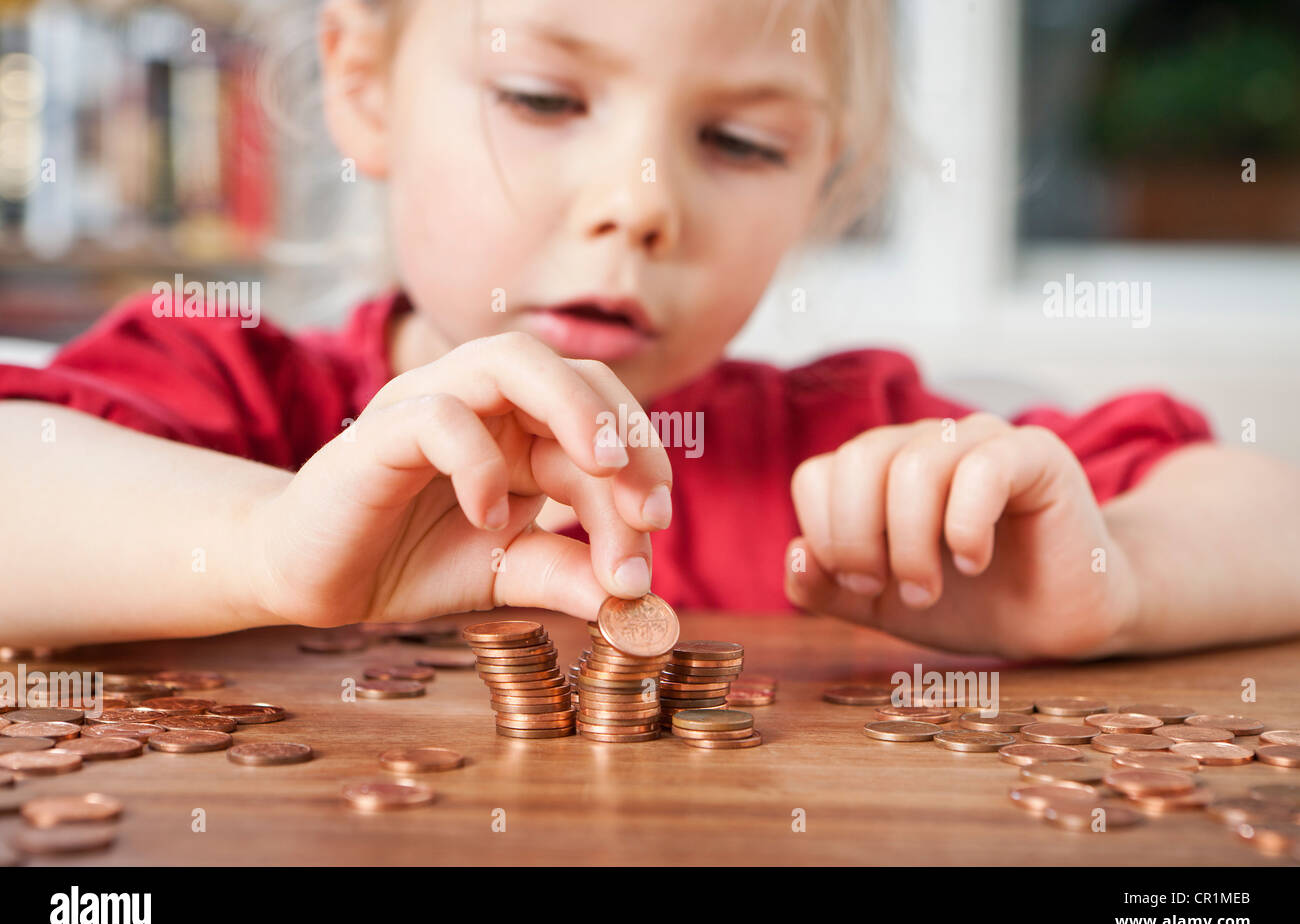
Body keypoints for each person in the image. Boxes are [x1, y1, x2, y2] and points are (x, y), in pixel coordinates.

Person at [2, 0, 1297, 659]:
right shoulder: (231, 384)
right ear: (363, 83)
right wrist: (259, 546)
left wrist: (1115, 584)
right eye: (544, 97)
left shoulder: (863, 453)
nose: (641, 205)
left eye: (741, 140)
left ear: (824, 178)